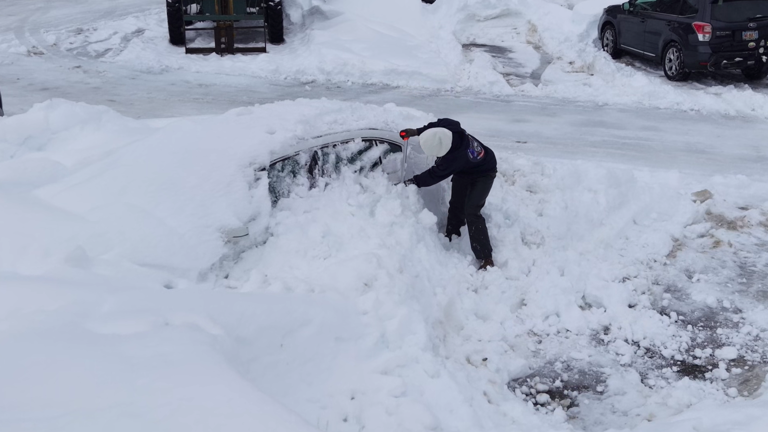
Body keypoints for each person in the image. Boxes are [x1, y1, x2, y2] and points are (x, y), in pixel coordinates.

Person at [400, 118, 497, 270]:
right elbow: (435, 126)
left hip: (484, 172)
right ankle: (452, 233)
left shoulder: (454, 158)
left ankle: (486, 257)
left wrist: (414, 181)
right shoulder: (449, 126)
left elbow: (434, 175)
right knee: (457, 203)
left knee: (472, 211)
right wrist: (417, 131)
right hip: (465, 170)